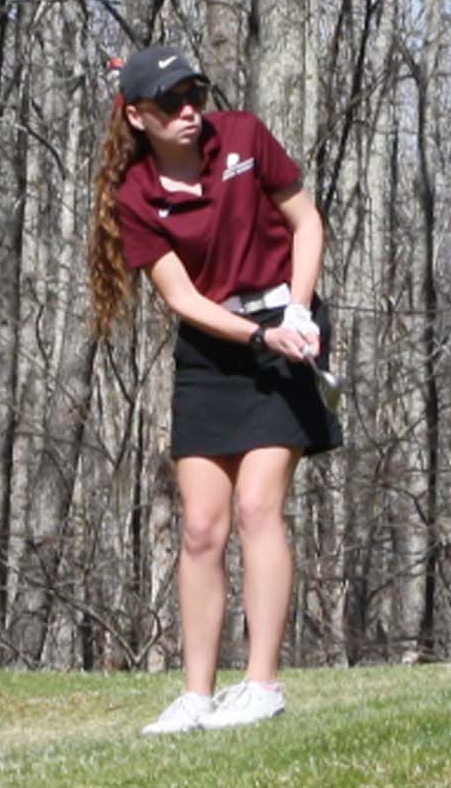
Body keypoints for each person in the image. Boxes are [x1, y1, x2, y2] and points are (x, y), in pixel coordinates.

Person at [87, 45, 342, 734]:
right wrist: (255, 336)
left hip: (286, 327)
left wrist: (297, 309)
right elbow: (183, 300)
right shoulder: (135, 195)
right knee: (202, 525)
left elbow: (306, 221)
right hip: (214, 347)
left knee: (259, 506)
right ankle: (197, 695)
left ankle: (261, 684)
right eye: (170, 102)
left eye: (194, 93)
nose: (189, 110)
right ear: (137, 115)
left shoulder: (246, 137)